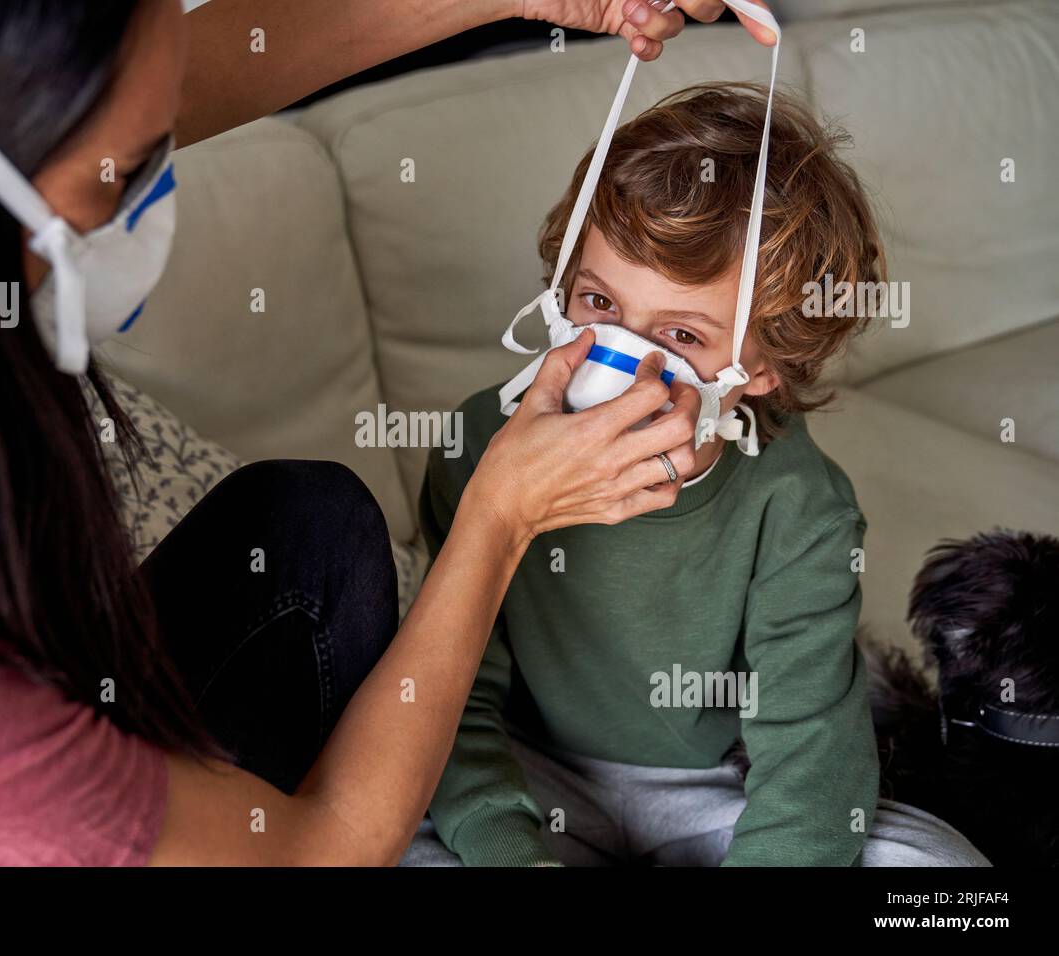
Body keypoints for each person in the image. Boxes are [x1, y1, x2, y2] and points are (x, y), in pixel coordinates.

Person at [0, 0, 771, 865]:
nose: (151, 194)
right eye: (121, 180)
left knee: (310, 531)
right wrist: (497, 522)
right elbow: (316, 848)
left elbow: (188, 75)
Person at [413, 84, 990, 866]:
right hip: (531, 773)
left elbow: (811, 752)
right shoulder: (485, 441)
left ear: (762, 370)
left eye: (681, 333)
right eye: (598, 302)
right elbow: (452, 698)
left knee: (948, 880)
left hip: (720, 790)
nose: (622, 360)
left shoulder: (799, 505)